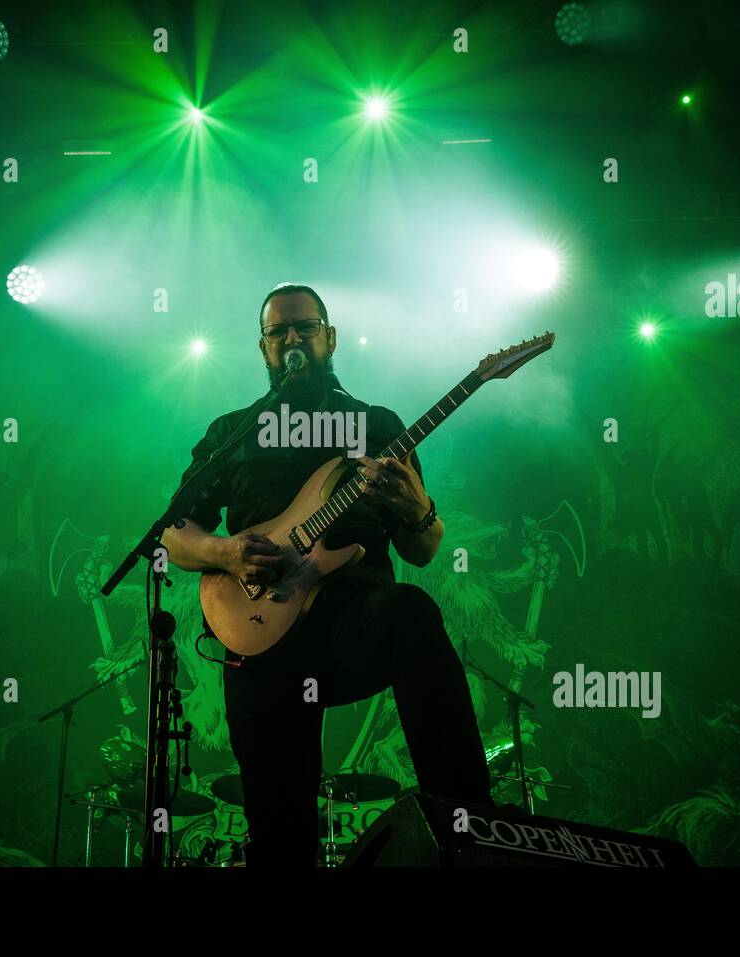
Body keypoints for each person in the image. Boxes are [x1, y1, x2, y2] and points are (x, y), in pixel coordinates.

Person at [161, 283, 492, 866]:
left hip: (352, 623)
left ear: (329, 338)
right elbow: (172, 532)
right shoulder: (231, 433)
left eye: (305, 328)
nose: (292, 340)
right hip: (258, 633)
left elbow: (422, 551)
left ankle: (470, 828)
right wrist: (227, 553)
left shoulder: (375, 425)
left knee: (413, 613)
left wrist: (419, 510)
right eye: (278, 332)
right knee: (279, 829)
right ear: (262, 348)